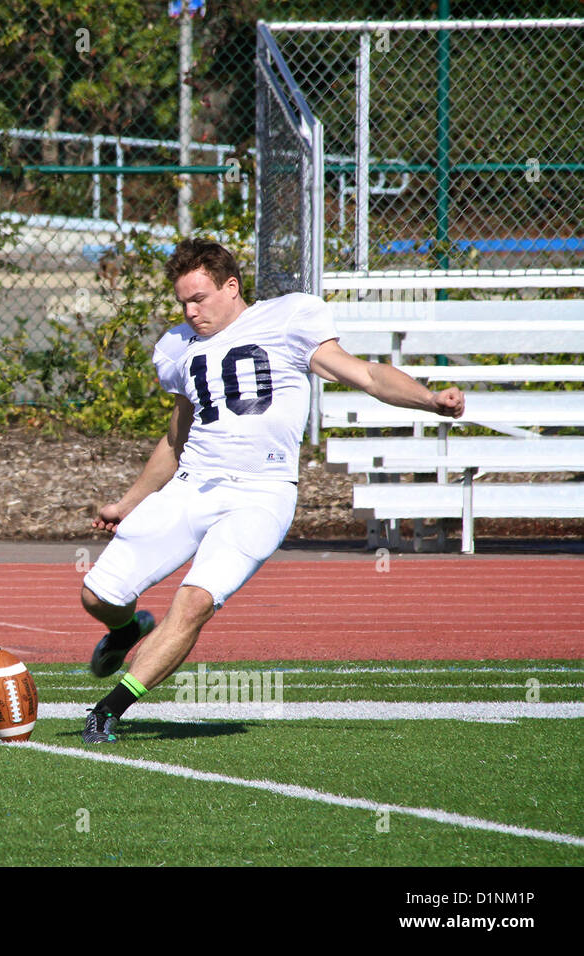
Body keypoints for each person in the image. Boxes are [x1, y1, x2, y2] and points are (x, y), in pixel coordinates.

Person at [79, 238, 465, 744]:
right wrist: (129, 502)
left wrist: (430, 399)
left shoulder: (289, 319)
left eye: (199, 298)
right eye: (182, 302)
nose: (190, 311)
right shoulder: (177, 347)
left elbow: (367, 375)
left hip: (259, 494)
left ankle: (109, 710)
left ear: (231, 286)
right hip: (194, 485)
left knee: (194, 601)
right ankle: (127, 630)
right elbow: (177, 434)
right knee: (96, 596)